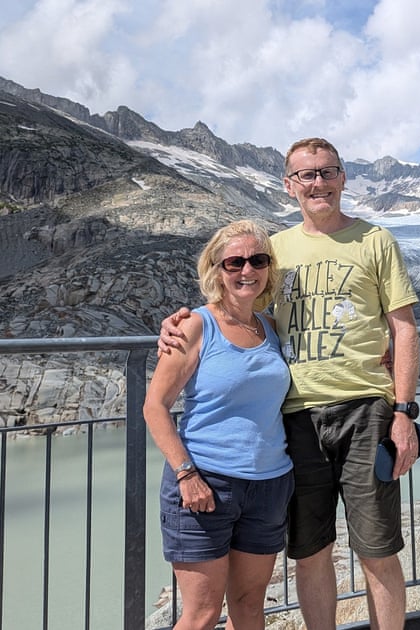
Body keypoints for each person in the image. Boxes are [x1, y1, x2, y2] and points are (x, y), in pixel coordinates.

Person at [161, 138, 420, 630]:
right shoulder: (271, 252)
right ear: (289, 185)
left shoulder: (376, 240)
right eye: (306, 174)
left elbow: (403, 328)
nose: (318, 182)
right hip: (295, 418)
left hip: (365, 408)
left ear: (343, 178)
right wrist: (179, 322)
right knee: (310, 549)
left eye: (327, 172)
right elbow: (237, 311)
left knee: (377, 547)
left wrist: (404, 412)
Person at [144, 220, 293, 630]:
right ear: (216, 269)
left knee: (248, 608)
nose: (247, 270)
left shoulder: (270, 326)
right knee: (202, 614)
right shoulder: (194, 325)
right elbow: (155, 406)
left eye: (257, 260)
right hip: (205, 483)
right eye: (235, 262)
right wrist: (186, 473)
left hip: (268, 485)